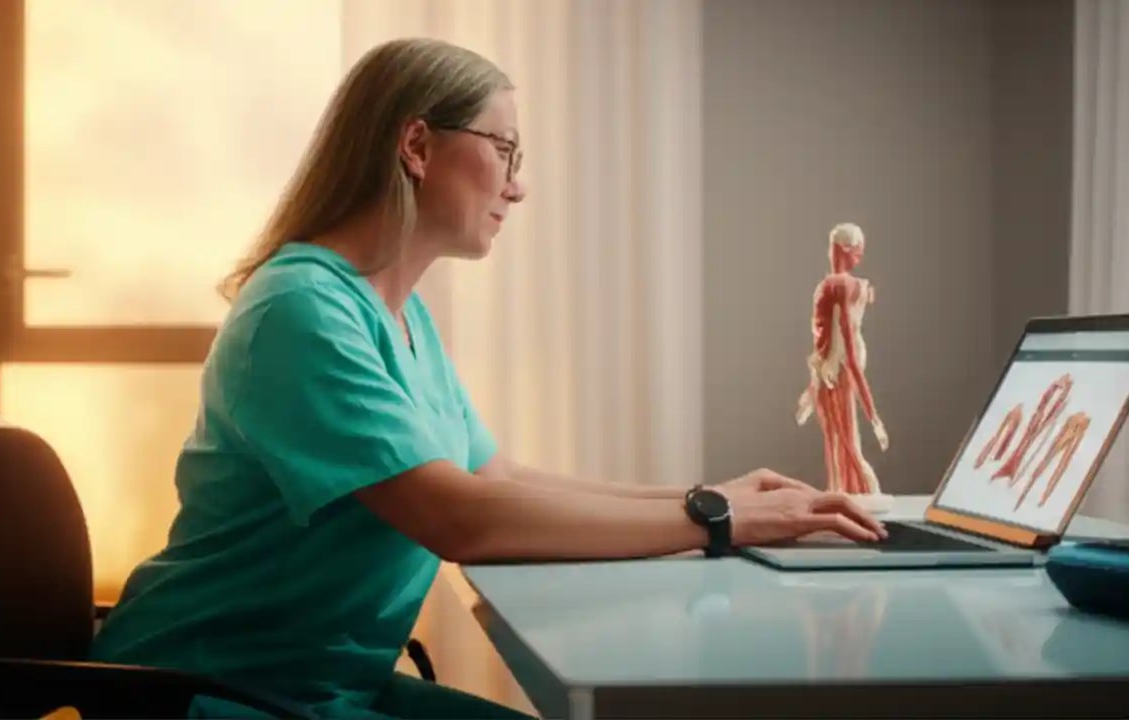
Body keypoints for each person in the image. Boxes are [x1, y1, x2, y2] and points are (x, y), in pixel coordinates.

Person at [89, 37, 887, 719]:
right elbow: (460, 519)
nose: (519, 183)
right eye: (504, 150)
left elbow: (498, 479)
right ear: (417, 146)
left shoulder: (397, 315)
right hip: (206, 690)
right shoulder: (300, 311)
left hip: (320, 682)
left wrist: (717, 496)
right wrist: (713, 519)